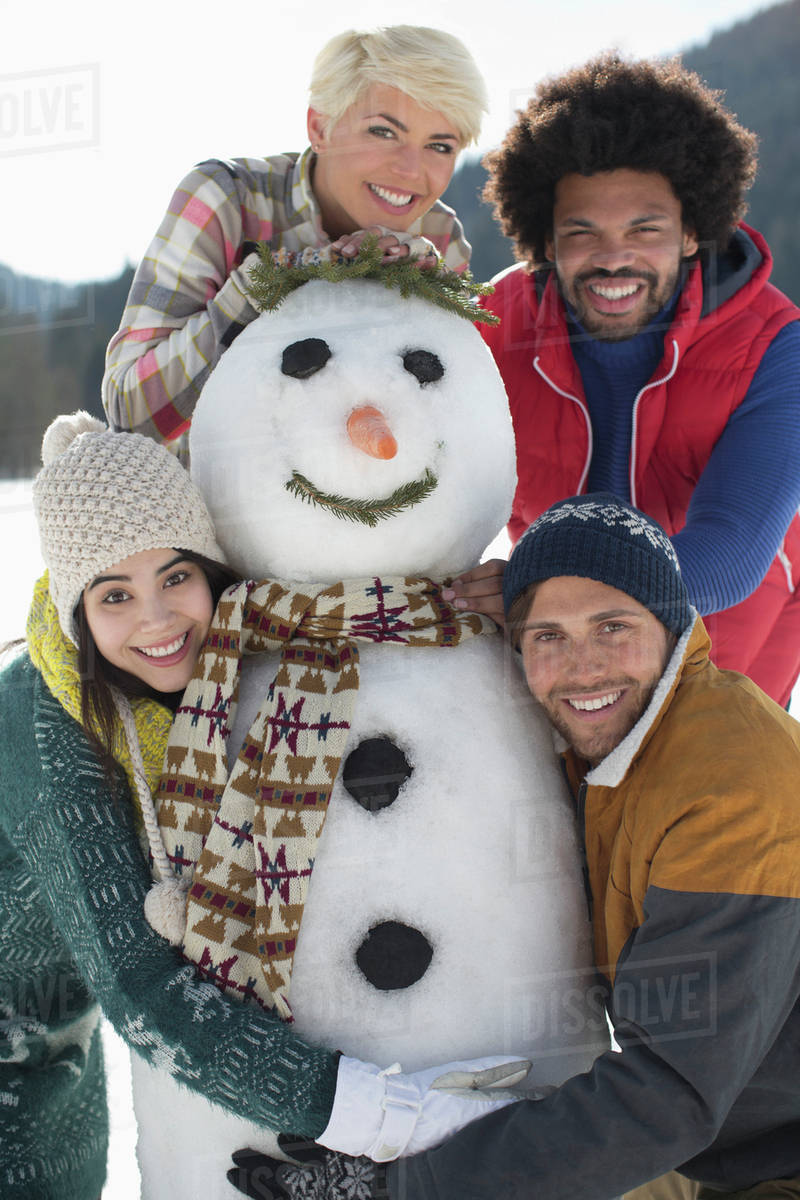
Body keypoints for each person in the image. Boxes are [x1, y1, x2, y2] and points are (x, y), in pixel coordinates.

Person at [0, 412, 527, 1199]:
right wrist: (391, 1118)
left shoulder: (214, 668)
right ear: (76, 613)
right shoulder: (43, 725)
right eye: (115, 594)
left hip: (54, 1061)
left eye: (175, 576)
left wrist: (459, 593)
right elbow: (139, 985)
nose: (156, 618)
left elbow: (316, 604)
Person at [237, 493, 800, 1200]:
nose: (584, 667)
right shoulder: (614, 744)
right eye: (548, 638)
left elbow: (671, 1093)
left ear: (671, 625)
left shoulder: (730, 785)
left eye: (612, 626)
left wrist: (407, 1185)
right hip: (715, 1139)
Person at [469, 53, 800, 708]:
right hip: (556, 648)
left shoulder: (775, 343)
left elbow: (728, 556)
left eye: (644, 229)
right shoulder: (491, 328)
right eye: (582, 232)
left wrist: (529, 589)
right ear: (546, 240)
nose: (613, 257)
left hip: (725, 646)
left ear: (690, 232)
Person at [102, 25, 487, 443]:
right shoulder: (227, 199)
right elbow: (131, 414)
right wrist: (267, 288)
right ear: (320, 128)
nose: (411, 170)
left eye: (440, 146)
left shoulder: (438, 236)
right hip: (211, 502)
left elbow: (452, 433)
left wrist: (420, 299)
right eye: (384, 132)